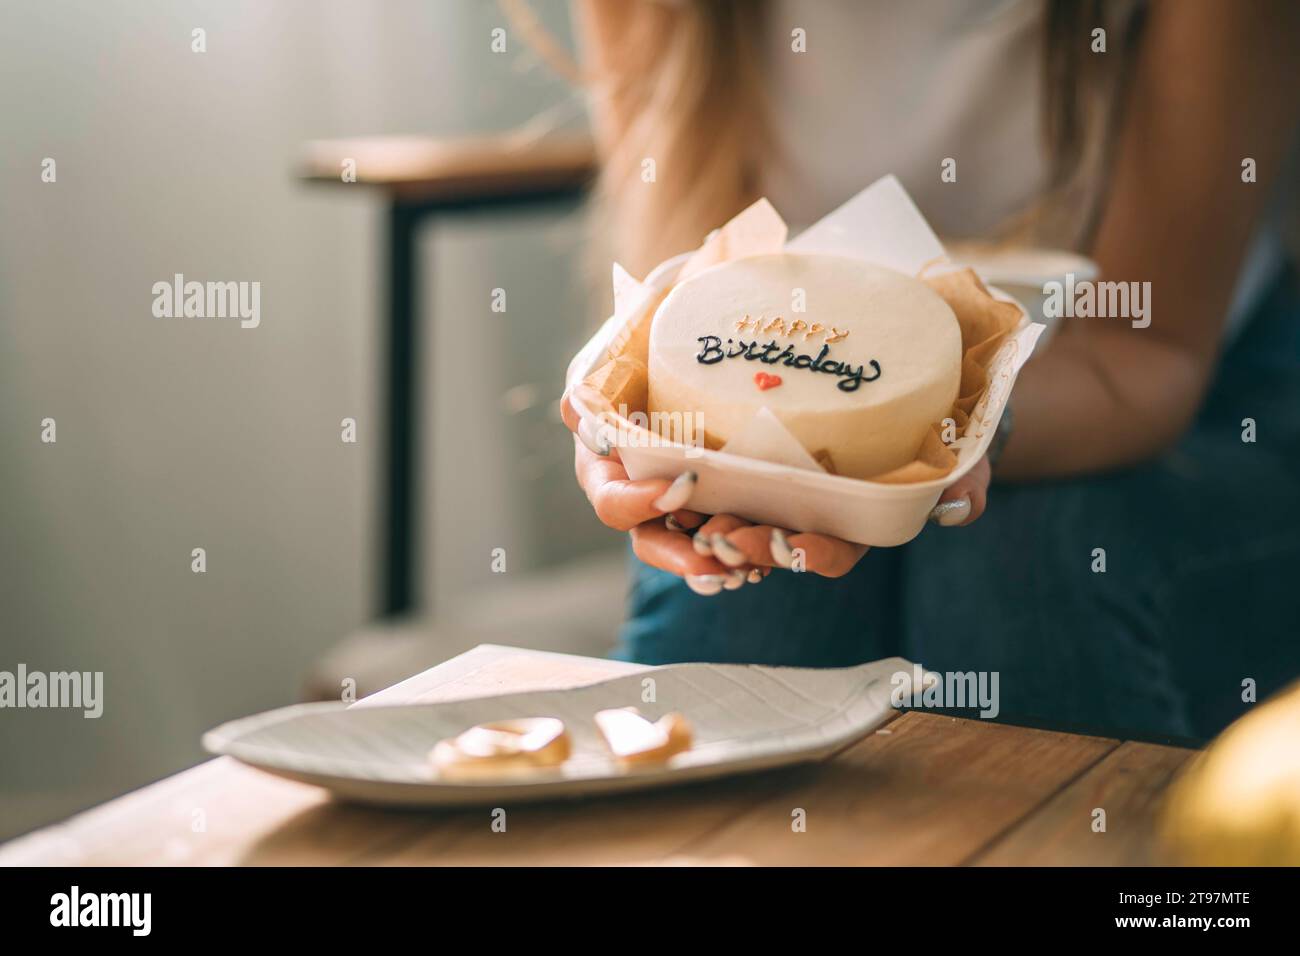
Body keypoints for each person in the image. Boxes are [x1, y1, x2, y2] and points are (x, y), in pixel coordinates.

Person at [554, 0, 1300, 739]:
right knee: (748, 589)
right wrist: (648, 437)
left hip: (1203, 402)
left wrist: (954, 436)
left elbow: (1145, 353)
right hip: (802, 394)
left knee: (1020, 559)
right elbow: (682, 320)